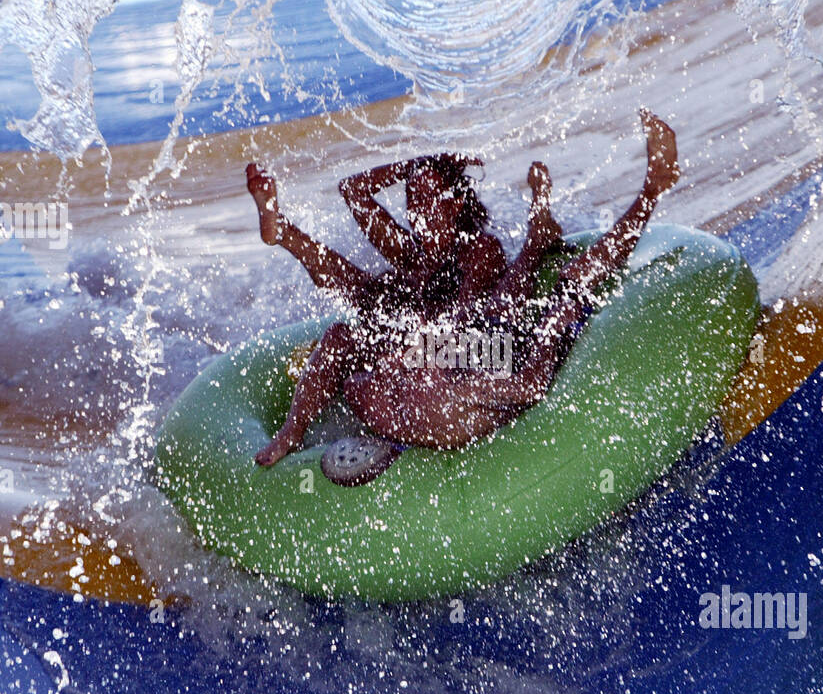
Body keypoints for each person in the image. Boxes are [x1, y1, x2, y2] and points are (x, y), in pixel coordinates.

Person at [245, 108, 680, 468]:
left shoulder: (478, 249)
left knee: (508, 294)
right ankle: (291, 429)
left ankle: (602, 209)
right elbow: (353, 191)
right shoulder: (411, 252)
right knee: (358, 309)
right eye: (412, 199)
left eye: (428, 199)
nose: (417, 210)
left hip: (468, 348)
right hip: (424, 354)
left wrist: (419, 346)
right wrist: (415, 165)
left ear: (454, 203)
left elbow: (476, 319)